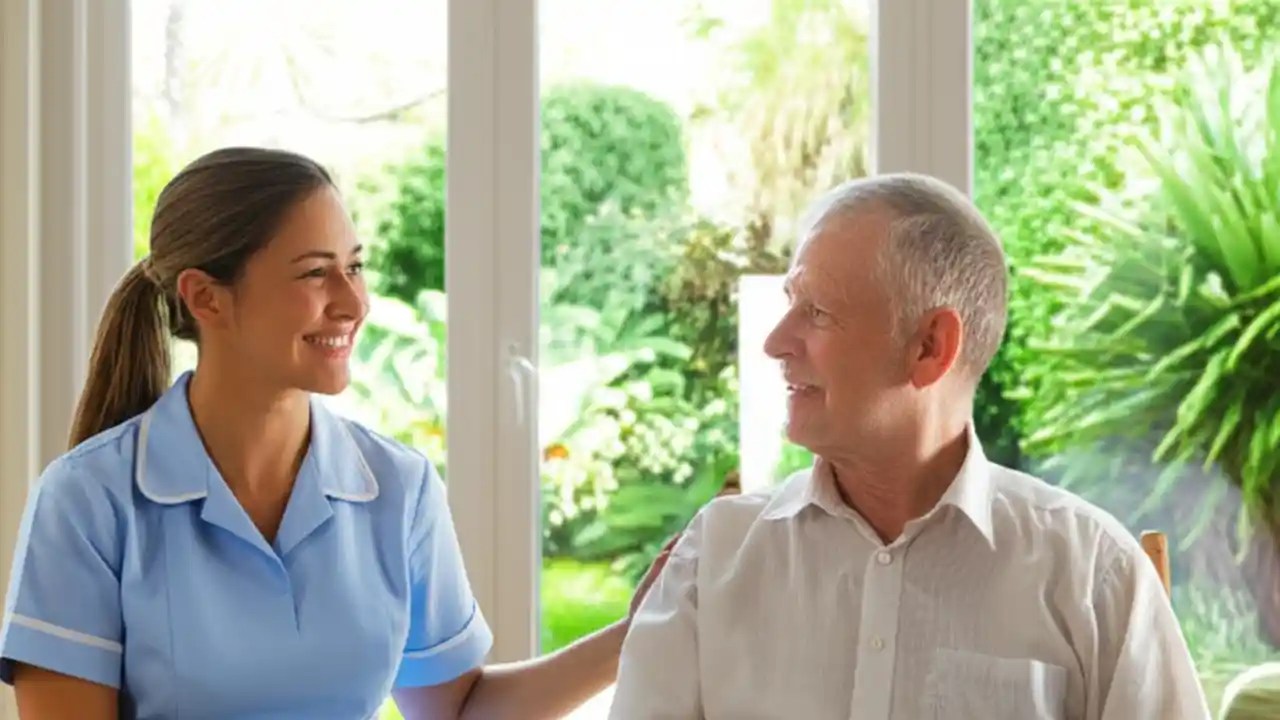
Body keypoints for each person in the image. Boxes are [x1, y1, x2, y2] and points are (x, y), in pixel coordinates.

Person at [0, 147, 670, 719]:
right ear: (205, 297)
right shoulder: (89, 499)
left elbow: (457, 709)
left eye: (355, 266)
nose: (353, 303)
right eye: (315, 273)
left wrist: (636, 633)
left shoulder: (398, 488)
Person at [609, 173, 1212, 719]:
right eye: (791, 302)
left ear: (930, 347)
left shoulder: (1094, 576)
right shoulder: (712, 559)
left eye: (817, 312)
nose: (775, 342)